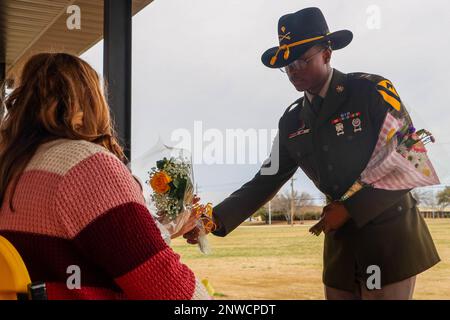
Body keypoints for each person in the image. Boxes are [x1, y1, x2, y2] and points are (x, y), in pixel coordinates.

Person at [185, 7, 440, 300]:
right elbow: (266, 179)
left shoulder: (370, 91)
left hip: (389, 240)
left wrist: (349, 210)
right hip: (341, 249)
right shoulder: (293, 119)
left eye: (301, 61)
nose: (293, 72)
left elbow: (410, 159)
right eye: (288, 66)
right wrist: (213, 219)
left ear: (327, 54)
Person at [0, 52, 210, 300]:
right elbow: (167, 289)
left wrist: (160, 232)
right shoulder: (86, 165)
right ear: (87, 104)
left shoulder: (12, 167)